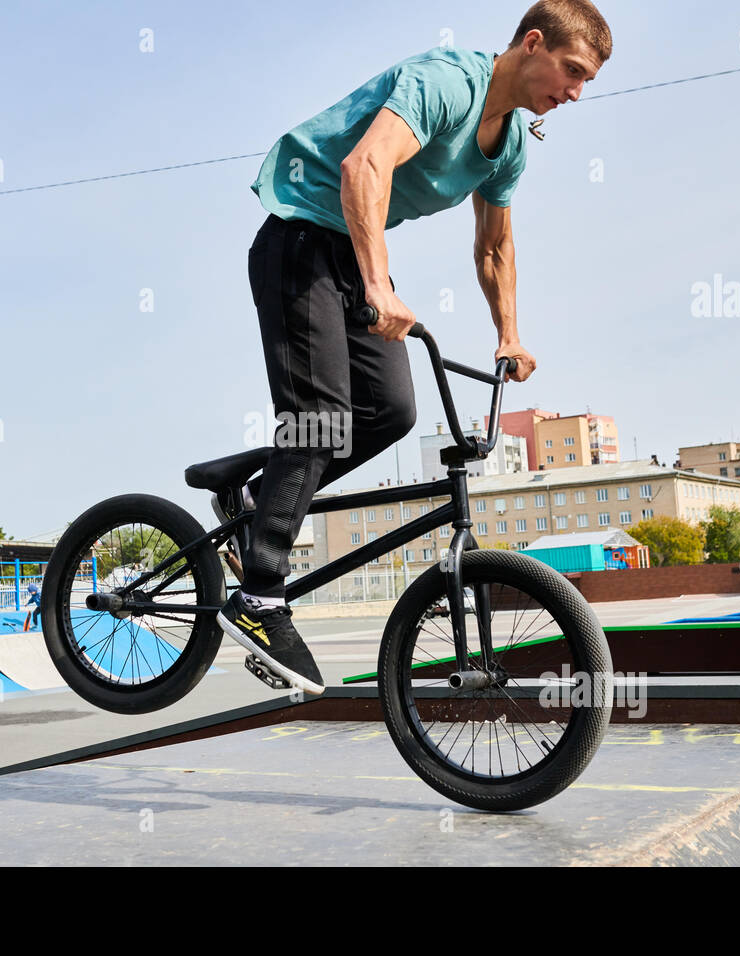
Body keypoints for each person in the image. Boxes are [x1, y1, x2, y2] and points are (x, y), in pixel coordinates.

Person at [215, 0, 613, 696]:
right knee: (320, 414)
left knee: (390, 412)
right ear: (532, 43)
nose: (575, 93)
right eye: (572, 71)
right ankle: (259, 598)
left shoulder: (511, 143)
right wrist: (378, 283)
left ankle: (253, 491)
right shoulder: (446, 83)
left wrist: (509, 336)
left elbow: (494, 246)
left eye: (586, 83)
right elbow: (364, 168)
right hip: (300, 235)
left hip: (354, 255)